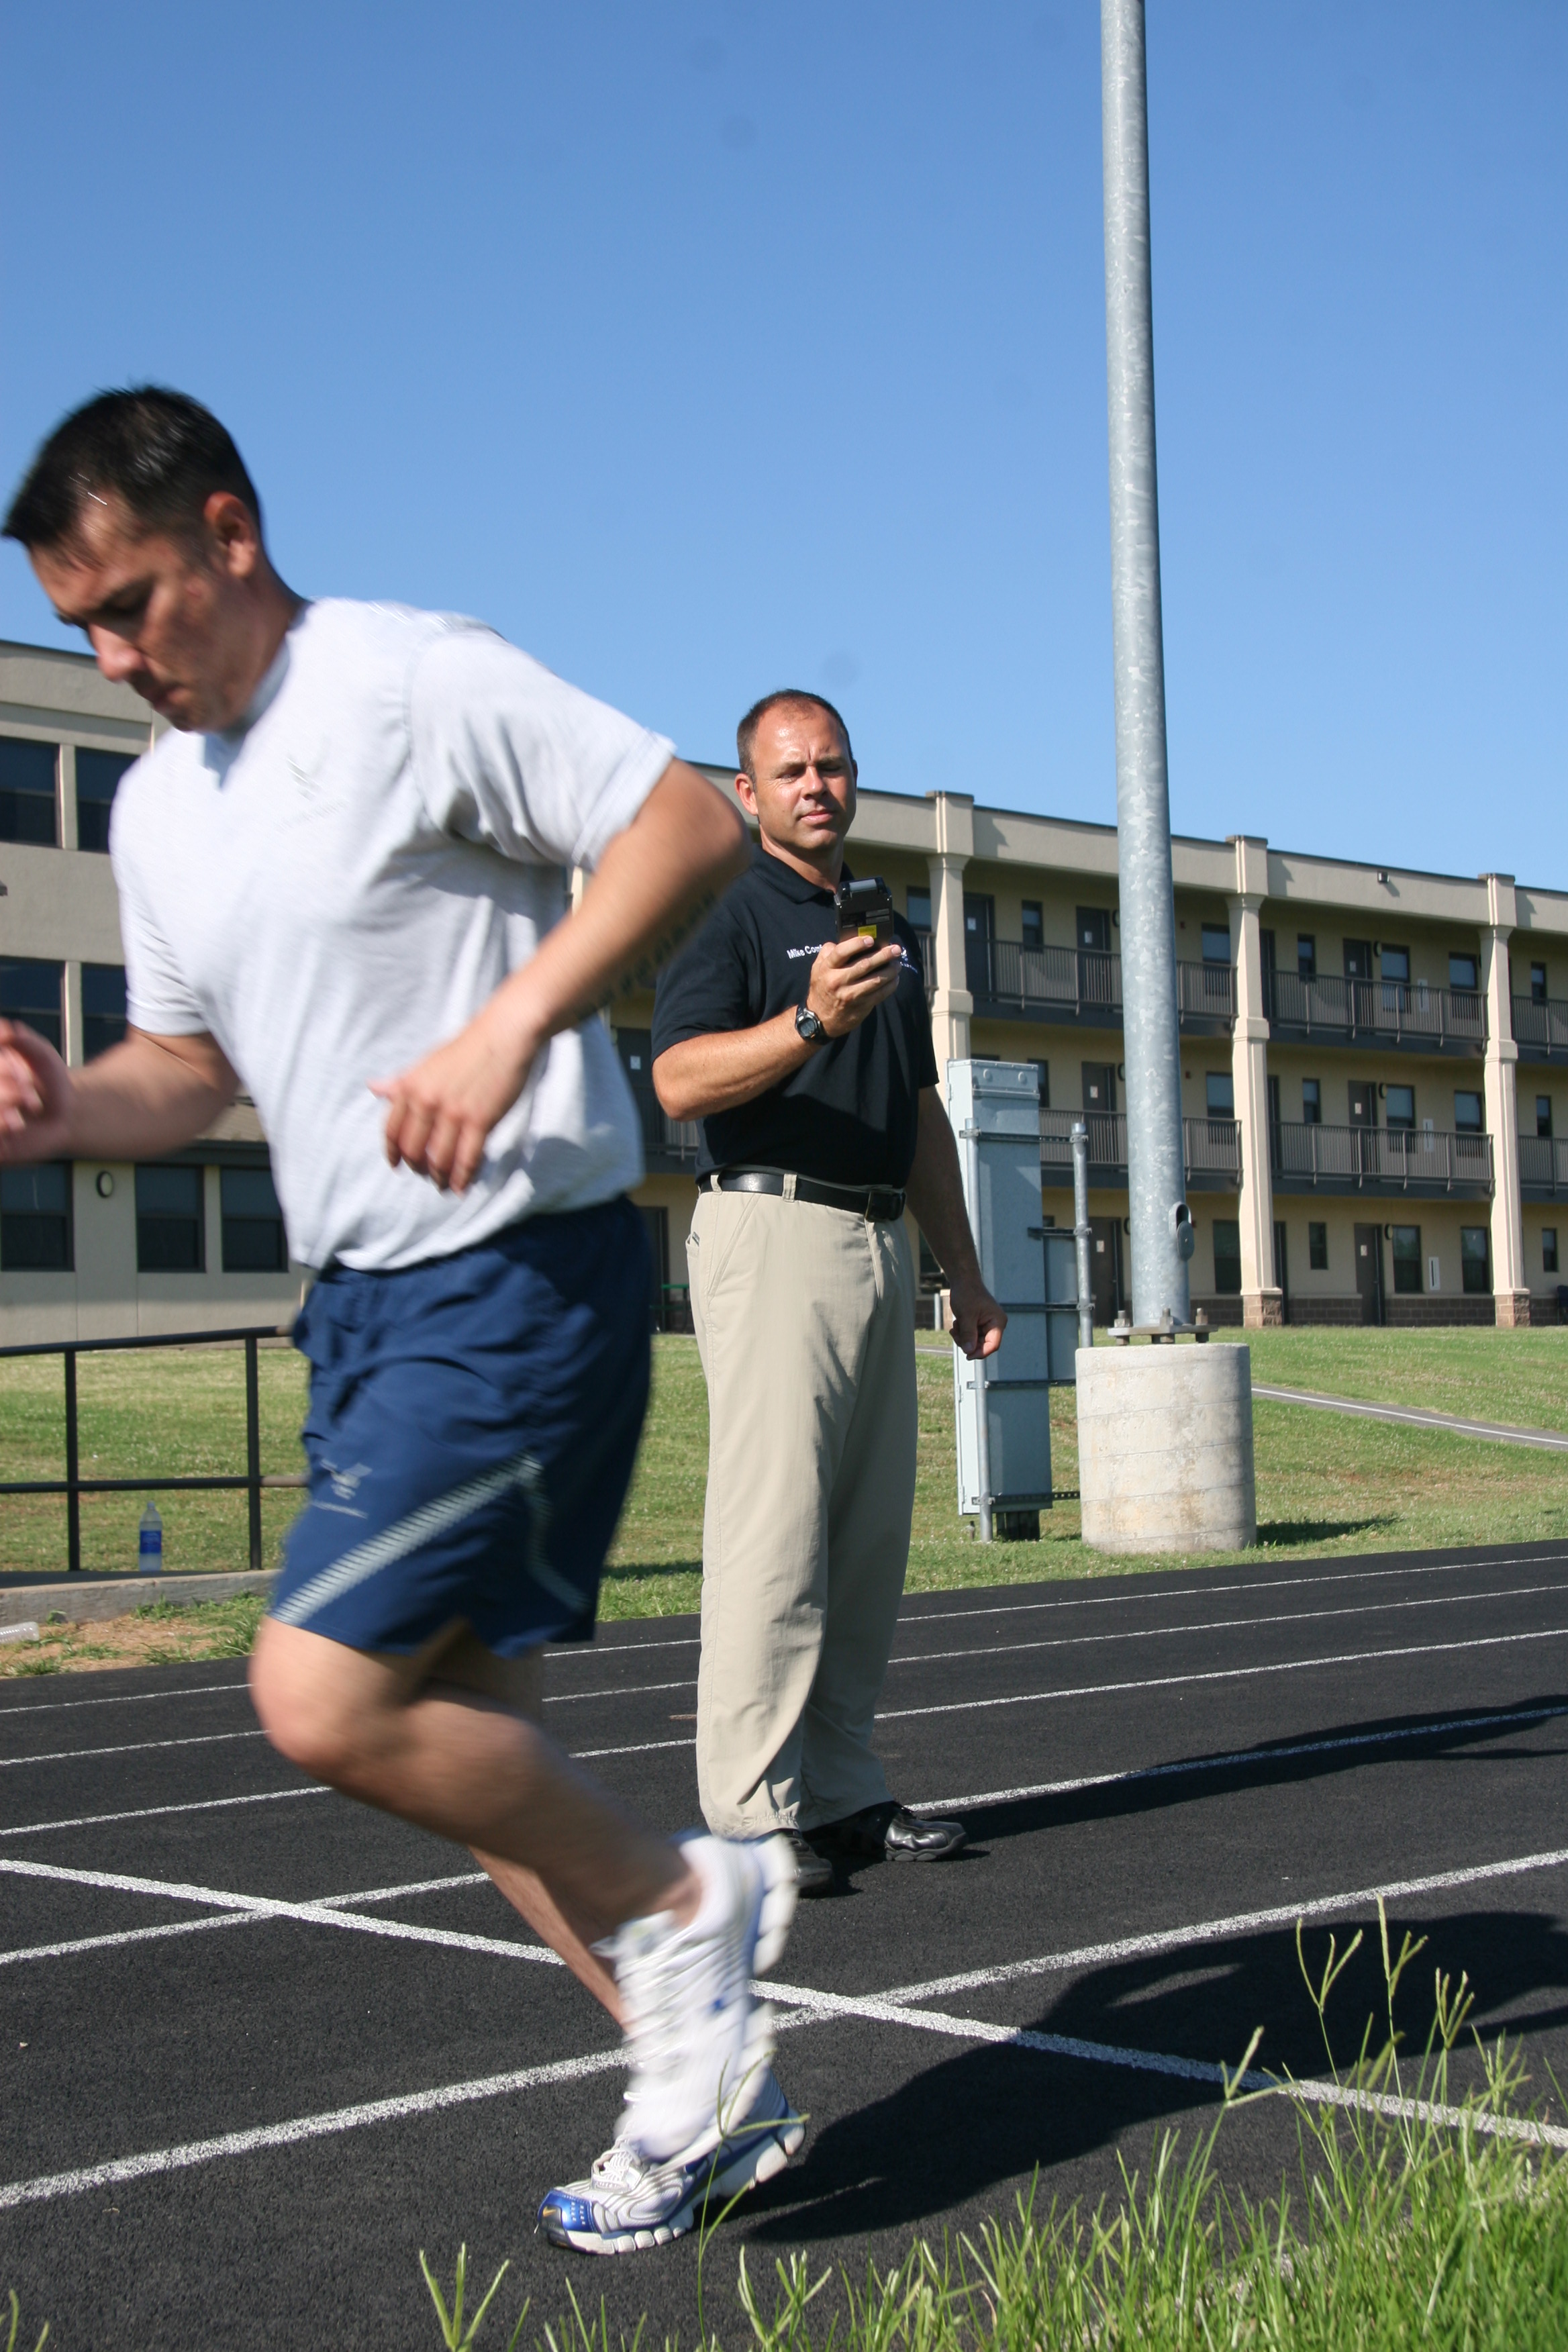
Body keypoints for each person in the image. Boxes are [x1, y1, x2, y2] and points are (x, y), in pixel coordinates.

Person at [0, 387, 802, 2257]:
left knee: (322, 1695)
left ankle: (700, 1908)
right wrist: (59, 1110)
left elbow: (681, 826)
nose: (115, 658)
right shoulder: (156, 807)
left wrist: (514, 1021)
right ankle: (710, 2099)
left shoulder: (407, 679)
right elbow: (185, 1073)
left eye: (128, 607)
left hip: (517, 1266)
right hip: (362, 1300)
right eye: (78, 631)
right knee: (483, 1765)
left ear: (226, 533)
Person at [650, 691, 1006, 1898]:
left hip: (878, 1240)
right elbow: (681, 1079)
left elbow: (918, 1115)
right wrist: (807, 1020)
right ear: (747, 794)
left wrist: (962, 1266)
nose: (817, 786)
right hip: (771, 1225)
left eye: (835, 767)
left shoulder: (882, 924)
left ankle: (843, 1789)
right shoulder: (727, 913)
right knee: (776, 1530)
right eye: (790, 771)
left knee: (864, 1535)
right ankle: (751, 1814)